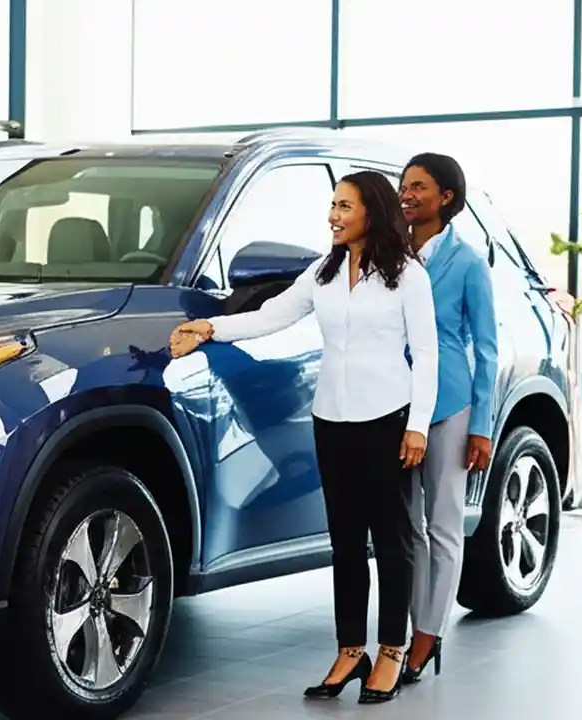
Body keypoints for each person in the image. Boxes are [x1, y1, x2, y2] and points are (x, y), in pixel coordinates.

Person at [170, 171, 438, 704]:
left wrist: (418, 425)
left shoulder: (408, 276)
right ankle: (349, 650)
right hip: (332, 419)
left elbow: (428, 355)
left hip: (388, 418)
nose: (333, 215)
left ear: (372, 212)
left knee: (391, 541)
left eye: (344, 206)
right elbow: (271, 316)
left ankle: (390, 650)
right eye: (332, 205)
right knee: (344, 541)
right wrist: (209, 329)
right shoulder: (324, 271)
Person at [397, 153, 497, 684]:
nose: (406, 194)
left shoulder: (467, 264)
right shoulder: (389, 256)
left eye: (418, 186)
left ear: (446, 198)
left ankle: (428, 634)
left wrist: (481, 424)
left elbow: (487, 348)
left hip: (449, 406)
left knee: (442, 525)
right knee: (404, 528)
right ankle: (407, 630)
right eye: (403, 185)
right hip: (394, 405)